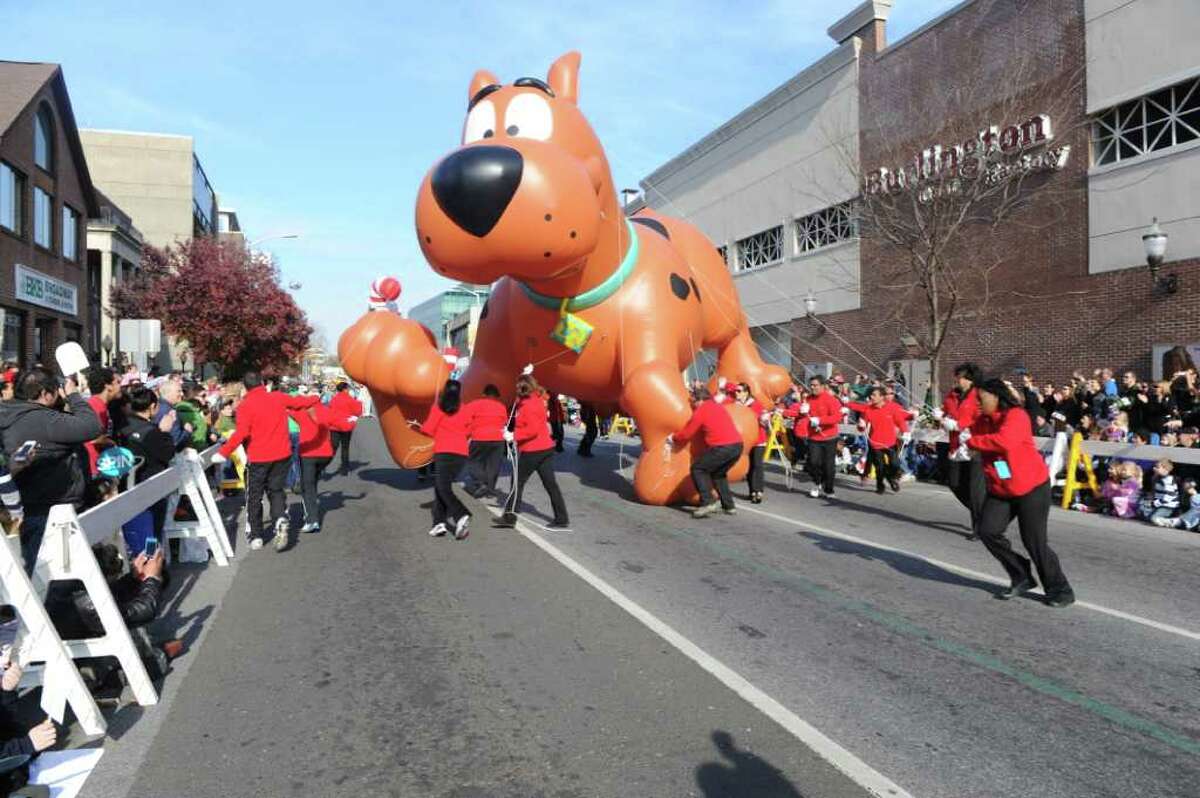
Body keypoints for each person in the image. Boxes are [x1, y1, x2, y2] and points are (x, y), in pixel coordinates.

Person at [963, 378, 1074, 607]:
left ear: (996, 396)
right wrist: (948, 424)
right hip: (1002, 486)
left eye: (981, 398)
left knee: (1034, 541)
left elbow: (1005, 441)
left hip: (1031, 486)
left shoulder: (1016, 415)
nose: (977, 403)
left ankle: (1060, 589)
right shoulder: (982, 420)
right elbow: (964, 426)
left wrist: (973, 441)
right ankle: (1021, 574)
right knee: (987, 530)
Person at [0, 368, 101, 572]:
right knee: (46, 576)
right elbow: (91, 426)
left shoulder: (9, 413)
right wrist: (74, 395)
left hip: (23, 507)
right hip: (51, 511)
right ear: (46, 394)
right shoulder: (43, 419)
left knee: (31, 573)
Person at [212, 372, 297, 552]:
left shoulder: (245, 406)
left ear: (245, 387)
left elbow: (241, 433)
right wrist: (314, 399)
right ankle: (280, 517)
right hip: (282, 454)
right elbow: (299, 403)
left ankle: (257, 535)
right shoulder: (277, 397)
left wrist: (223, 452)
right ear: (261, 383)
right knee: (276, 491)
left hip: (259, 457)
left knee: (254, 496)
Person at [494, 375, 569, 530]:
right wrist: (525, 374)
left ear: (522, 389)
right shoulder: (533, 399)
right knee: (550, 485)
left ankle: (510, 517)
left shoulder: (529, 405)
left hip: (533, 449)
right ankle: (561, 518)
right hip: (544, 448)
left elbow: (532, 430)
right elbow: (518, 402)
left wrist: (512, 435)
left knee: (517, 483)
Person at [409, 380, 472, 539]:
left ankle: (461, 514)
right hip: (461, 454)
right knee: (440, 487)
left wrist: (418, 426)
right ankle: (439, 523)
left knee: (443, 487)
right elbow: (469, 431)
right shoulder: (465, 409)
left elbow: (429, 430)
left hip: (444, 452)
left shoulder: (438, 407)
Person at [669, 385, 744, 517]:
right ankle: (729, 506)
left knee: (698, 469)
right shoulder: (716, 406)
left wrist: (673, 438)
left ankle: (707, 502)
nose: (693, 405)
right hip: (737, 446)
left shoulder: (701, 410)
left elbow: (687, 433)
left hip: (722, 447)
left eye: (693, 402)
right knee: (718, 474)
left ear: (699, 400)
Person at [119, 387, 180, 537]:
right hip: (151, 483)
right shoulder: (150, 431)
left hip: (126, 483)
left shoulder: (122, 427)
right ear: (152, 407)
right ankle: (152, 557)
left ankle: (142, 556)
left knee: (134, 529)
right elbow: (167, 453)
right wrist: (165, 432)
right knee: (153, 528)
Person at [289, 398, 355, 533]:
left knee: (308, 487)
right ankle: (311, 509)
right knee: (311, 483)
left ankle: (312, 520)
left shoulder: (301, 412)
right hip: (326, 455)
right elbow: (347, 425)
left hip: (308, 454)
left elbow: (287, 409)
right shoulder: (327, 411)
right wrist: (353, 419)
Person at [936, 363, 985, 537]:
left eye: (960, 377)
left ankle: (979, 527)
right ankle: (983, 511)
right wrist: (939, 416)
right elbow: (945, 411)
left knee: (975, 489)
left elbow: (983, 418)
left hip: (975, 446)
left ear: (970, 380)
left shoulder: (979, 396)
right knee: (954, 482)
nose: (957, 379)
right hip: (956, 446)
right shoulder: (952, 395)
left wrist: (959, 425)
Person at [847, 387, 905, 494]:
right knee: (879, 466)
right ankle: (880, 485)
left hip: (890, 442)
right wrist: (861, 426)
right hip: (875, 443)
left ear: (882, 397)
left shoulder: (891, 408)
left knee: (895, 464)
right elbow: (862, 426)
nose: (871, 397)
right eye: (871, 395)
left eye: (874, 395)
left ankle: (891, 478)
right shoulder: (869, 410)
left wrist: (906, 432)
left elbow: (901, 421)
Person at [463, 384, 508, 499]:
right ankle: (490, 488)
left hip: (480, 437)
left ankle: (482, 483)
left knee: (473, 462)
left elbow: (465, 421)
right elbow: (504, 422)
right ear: (496, 396)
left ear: (484, 394)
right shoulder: (502, 406)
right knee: (493, 465)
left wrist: (466, 435)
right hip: (498, 439)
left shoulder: (475, 404)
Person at [802, 375, 843, 499]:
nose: (812, 387)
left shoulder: (831, 399)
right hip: (814, 437)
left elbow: (837, 417)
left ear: (823, 386)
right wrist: (801, 411)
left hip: (829, 437)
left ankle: (829, 489)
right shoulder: (808, 399)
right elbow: (803, 415)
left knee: (828, 466)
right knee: (813, 463)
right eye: (811, 385)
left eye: (815, 385)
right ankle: (817, 482)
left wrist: (820, 420)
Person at [733, 383, 769, 503]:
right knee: (749, 467)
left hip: (758, 440)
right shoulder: (734, 405)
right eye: (736, 391)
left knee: (757, 465)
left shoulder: (756, 405)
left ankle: (759, 491)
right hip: (745, 441)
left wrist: (764, 418)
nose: (736, 393)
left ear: (746, 392)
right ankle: (752, 491)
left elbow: (764, 420)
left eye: (739, 391)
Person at [82, 366, 121, 478]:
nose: (120, 386)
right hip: (95, 467)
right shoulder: (97, 406)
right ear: (108, 386)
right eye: (117, 382)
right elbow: (94, 439)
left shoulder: (98, 404)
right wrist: (111, 443)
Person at [329, 382, 363, 474]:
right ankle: (344, 468)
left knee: (333, 447)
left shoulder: (334, 399)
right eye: (348, 388)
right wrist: (359, 402)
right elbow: (358, 411)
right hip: (346, 426)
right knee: (345, 447)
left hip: (334, 426)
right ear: (345, 389)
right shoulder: (349, 399)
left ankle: (323, 464)